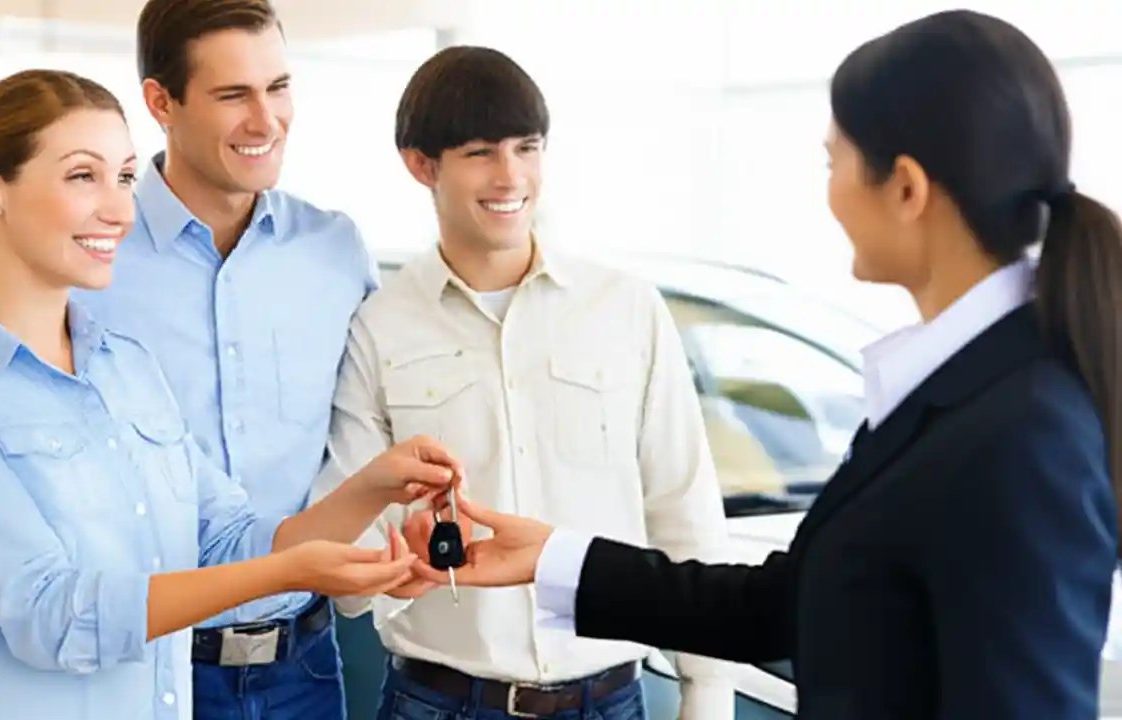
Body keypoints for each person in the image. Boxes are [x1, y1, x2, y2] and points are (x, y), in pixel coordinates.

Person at [412, 10, 1122, 720]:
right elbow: (787, 602)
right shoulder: (953, 393)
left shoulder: (1025, 432)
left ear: (905, 188)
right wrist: (555, 558)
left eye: (831, 161)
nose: (828, 192)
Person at [0, 68, 462, 719]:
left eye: (125, 177)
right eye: (81, 176)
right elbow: (53, 617)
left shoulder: (125, 367)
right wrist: (291, 574)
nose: (119, 209)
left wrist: (373, 487)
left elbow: (228, 540)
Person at [307, 46, 733, 719]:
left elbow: (683, 504)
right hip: (437, 700)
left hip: (608, 697)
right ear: (422, 165)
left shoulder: (625, 308)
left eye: (527, 147)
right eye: (480, 152)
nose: (511, 176)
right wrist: (394, 563)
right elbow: (349, 568)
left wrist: (707, 691)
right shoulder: (379, 327)